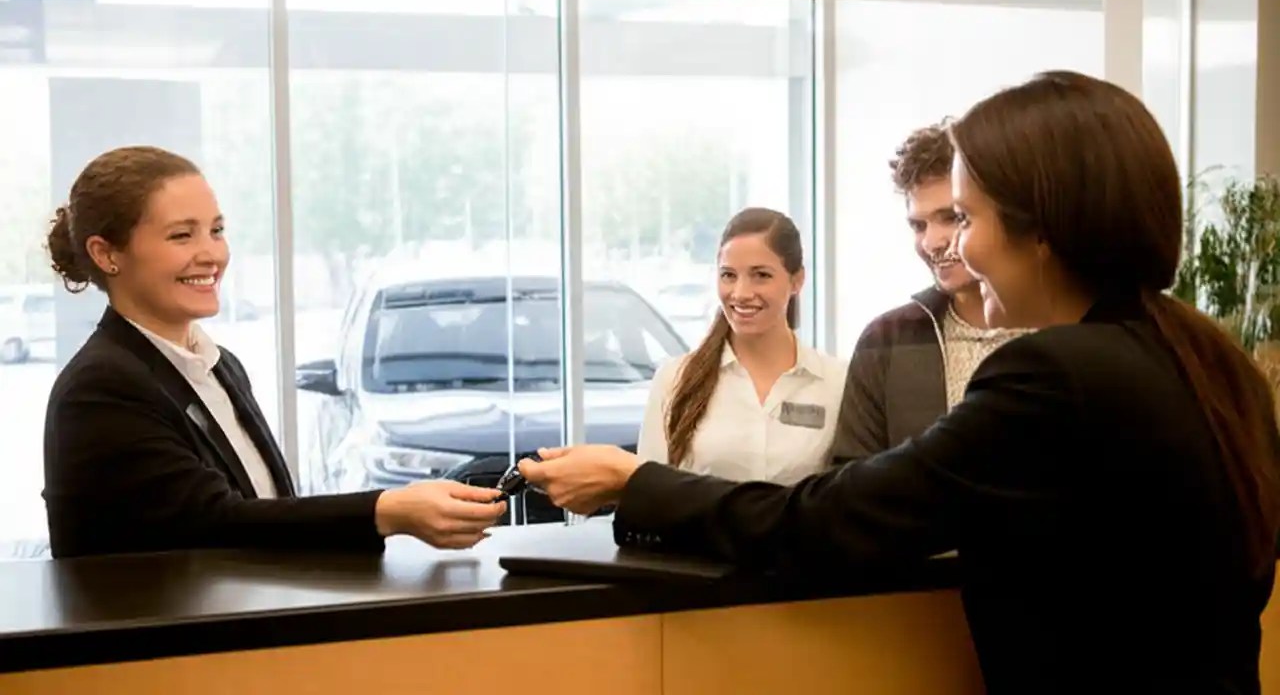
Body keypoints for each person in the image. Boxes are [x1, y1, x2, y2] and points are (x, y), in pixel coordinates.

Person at [518, 72, 1280, 693]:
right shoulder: (1205, 358)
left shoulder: (1053, 376)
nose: (956, 251)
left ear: (1042, 230)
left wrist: (633, 482)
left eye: (968, 220)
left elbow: (825, 522)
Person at [42, 146, 506, 558]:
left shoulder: (220, 366)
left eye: (216, 230)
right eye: (182, 236)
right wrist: (388, 510)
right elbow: (211, 522)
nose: (212, 255)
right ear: (106, 254)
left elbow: (266, 509)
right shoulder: (102, 388)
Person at [834, 121, 1031, 463]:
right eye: (918, 225)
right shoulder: (887, 340)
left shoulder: (1064, 327)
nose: (931, 241)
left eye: (952, 218)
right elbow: (848, 482)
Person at [638, 208, 846, 484]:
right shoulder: (674, 380)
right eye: (728, 275)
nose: (741, 293)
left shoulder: (837, 382)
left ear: (797, 280)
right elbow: (648, 495)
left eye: (761, 275)